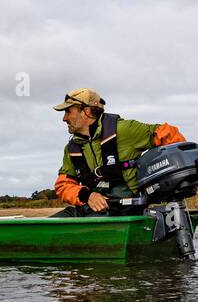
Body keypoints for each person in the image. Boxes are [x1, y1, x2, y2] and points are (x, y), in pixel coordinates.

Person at [51, 88, 186, 216]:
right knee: (47, 225)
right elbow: (63, 185)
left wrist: (177, 178)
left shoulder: (124, 130)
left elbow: (169, 134)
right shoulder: (71, 149)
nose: (64, 118)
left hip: (126, 208)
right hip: (90, 208)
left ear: (86, 111)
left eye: (68, 111)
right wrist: (87, 196)